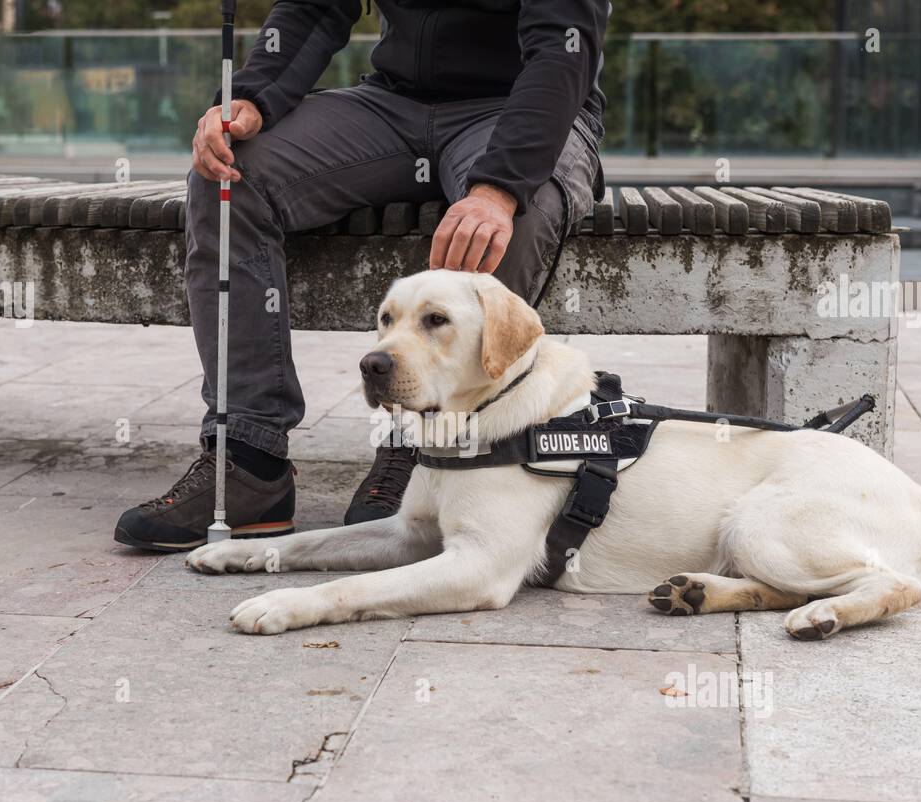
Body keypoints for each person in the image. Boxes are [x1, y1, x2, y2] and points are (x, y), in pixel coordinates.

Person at [115, 0, 609, 551]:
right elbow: (313, 8)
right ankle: (250, 460)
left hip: (520, 108)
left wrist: (498, 188)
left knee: (510, 218)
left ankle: (422, 449)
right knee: (229, 176)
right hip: (392, 104)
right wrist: (252, 95)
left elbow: (560, 50)